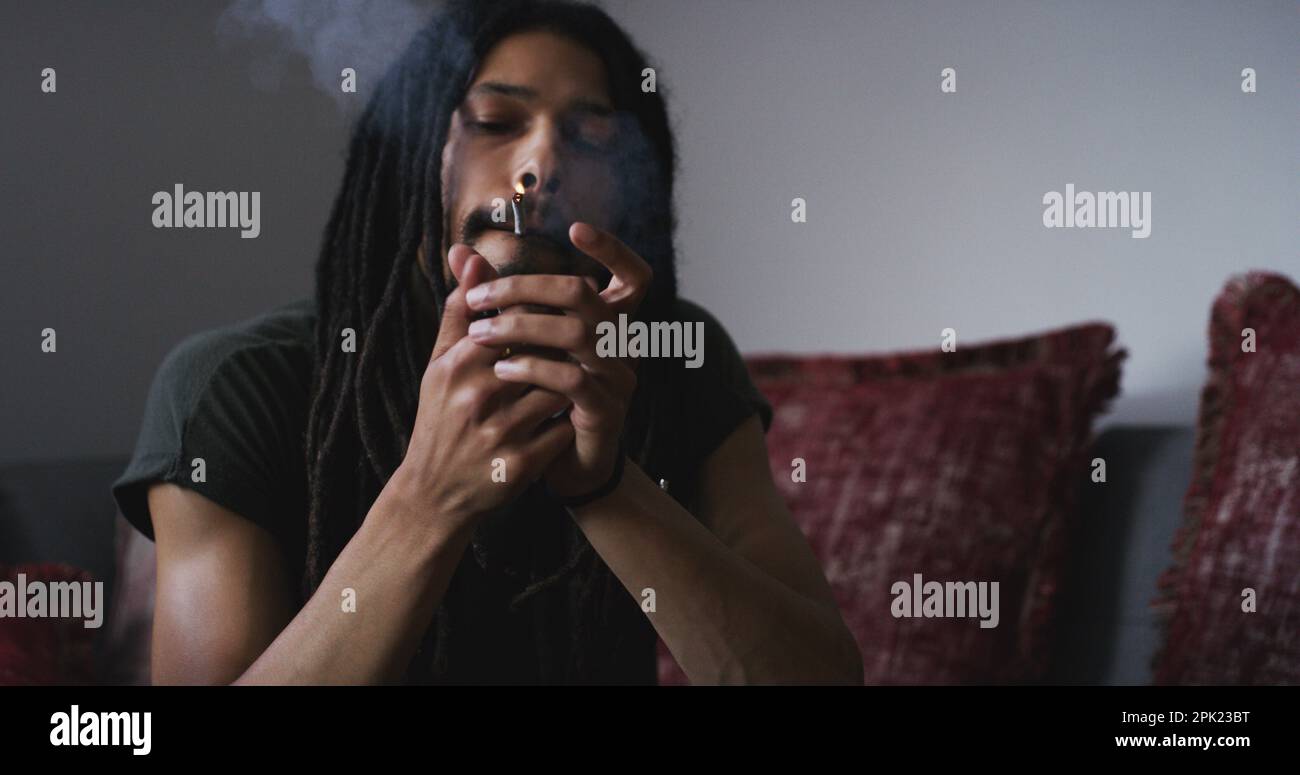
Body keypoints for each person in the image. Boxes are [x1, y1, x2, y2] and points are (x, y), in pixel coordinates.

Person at [112, 0, 862, 685]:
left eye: (592, 137)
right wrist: (430, 498)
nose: (542, 165)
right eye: (496, 122)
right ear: (413, 156)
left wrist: (604, 488)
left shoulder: (675, 354)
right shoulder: (236, 384)